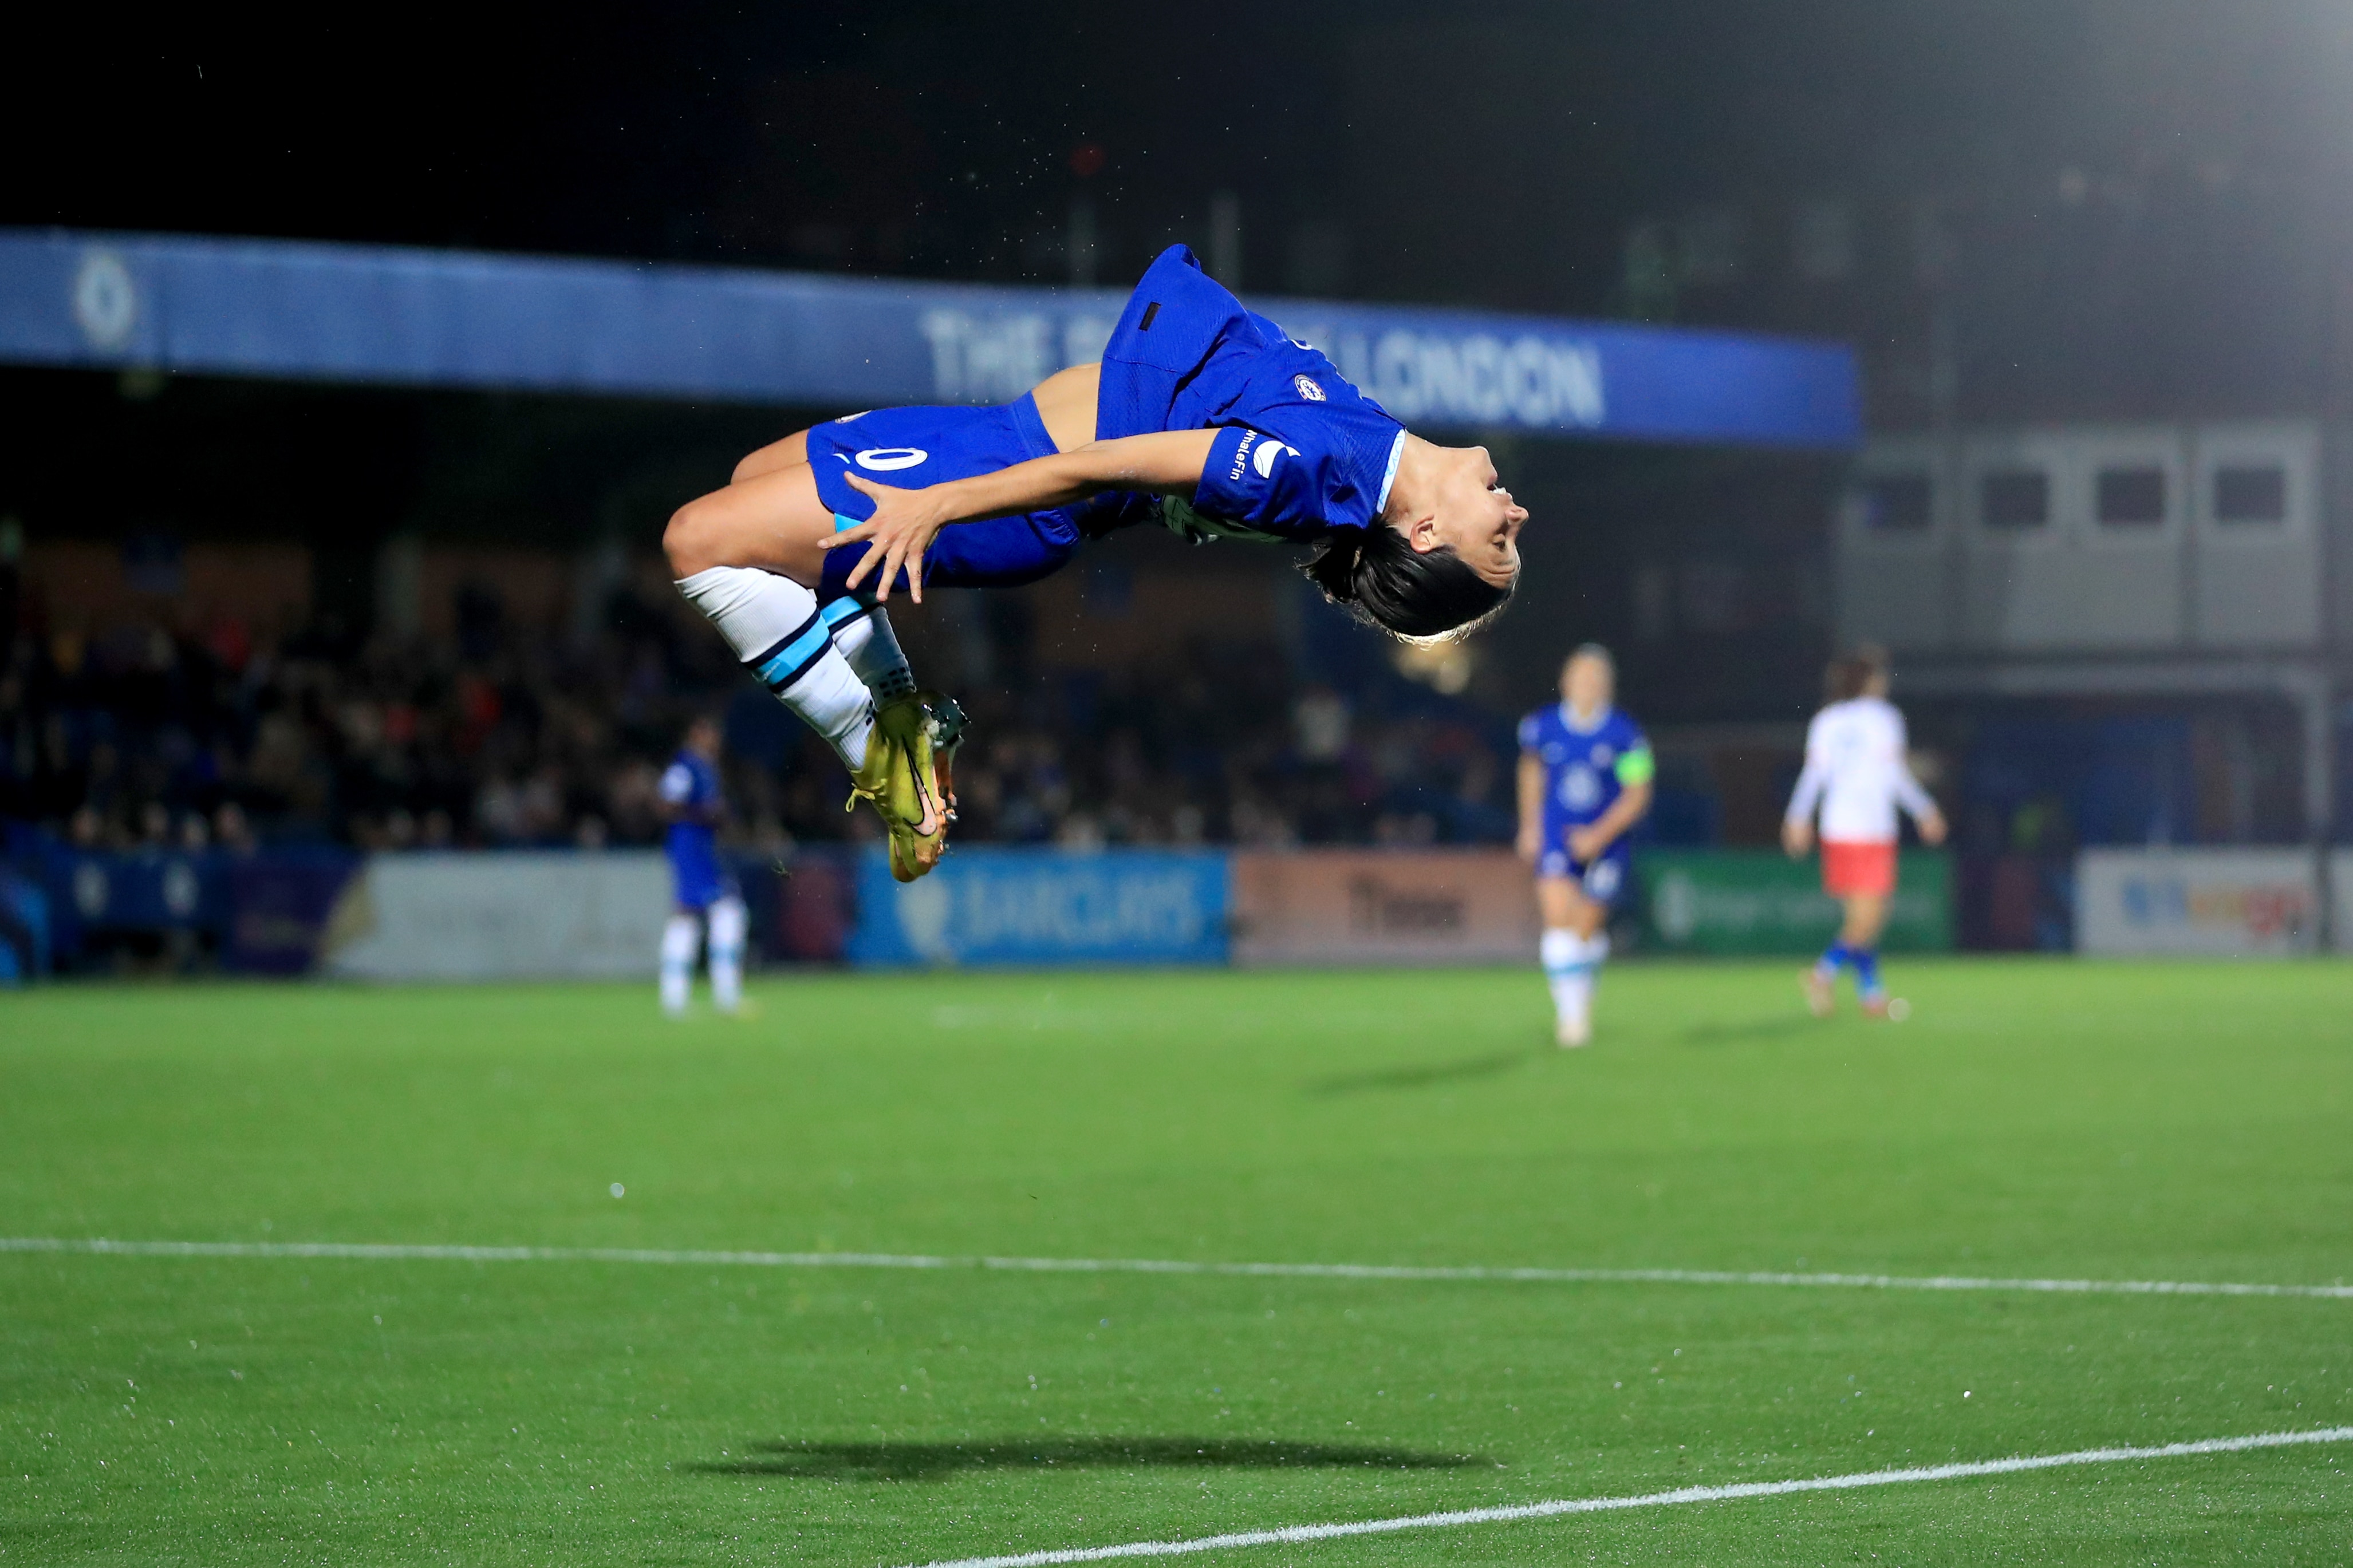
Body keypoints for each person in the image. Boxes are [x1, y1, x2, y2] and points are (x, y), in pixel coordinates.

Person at [665, 243, 1527, 880]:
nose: (1514, 512)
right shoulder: (1372, 448)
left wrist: (942, 505)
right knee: (753, 484)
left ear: (1425, 536)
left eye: (1499, 539)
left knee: (697, 540)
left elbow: (1108, 465)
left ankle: (871, 746)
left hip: (1007, 483)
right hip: (996, 434)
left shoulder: (1313, 474)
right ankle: (899, 715)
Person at [1781, 645, 1947, 1018]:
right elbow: (1894, 774)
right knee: (1869, 917)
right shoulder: (1883, 718)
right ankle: (1822, 973)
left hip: (1837, 828)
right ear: (1869, 680)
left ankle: (1870, 995)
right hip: (1871, 828)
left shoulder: (1826, 720)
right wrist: (1925, 810)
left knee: (1861, 916)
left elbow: (1814, 775)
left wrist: (1796, 817)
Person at [1516, 645, 1653, 1047]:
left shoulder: (1626, 734)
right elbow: (1530, 774)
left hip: (1607, 843)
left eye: (1595, 679)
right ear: (1565, 681)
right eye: (1580, 677)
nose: (1587, 686)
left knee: (1586, 930)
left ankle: (1583, 981)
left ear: (1607, 686)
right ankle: (1572, 1019)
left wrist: (1599, 835)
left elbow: (1637, 794)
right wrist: (1529, 826)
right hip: (1557, 835)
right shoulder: (1541, 727)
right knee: (1558, 918)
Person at [657, 717, 748, 1018]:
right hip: (689, 848)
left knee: (703, 914)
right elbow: (666, 804)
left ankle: (681, 996)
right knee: (718, 911)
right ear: (696, 735)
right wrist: (705, 814)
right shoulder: (686, 766)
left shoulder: (705, 767)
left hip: (701, 849)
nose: (715, 742)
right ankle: (716, 995)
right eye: (710, 735)